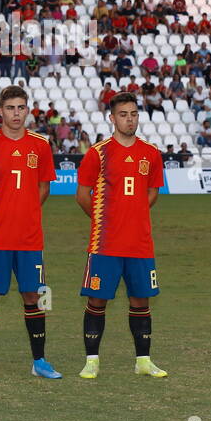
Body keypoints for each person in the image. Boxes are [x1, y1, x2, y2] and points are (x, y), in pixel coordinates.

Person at [0, 86, 61, 381]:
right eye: (11, 108)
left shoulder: (41, 145)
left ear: (28, 109)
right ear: (1, 110)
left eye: (21, 108)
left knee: (35, 296)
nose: (16, 113)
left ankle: (40, 361)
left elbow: (44, 186)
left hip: (30, 237)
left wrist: (27, 210)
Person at [75, 93, 168, 379]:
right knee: (97, 300)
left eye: (134, 114)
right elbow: (82, 195)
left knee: (141, 301)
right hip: (105, 244)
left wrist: (134, 215)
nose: (130, 119)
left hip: (140, 243)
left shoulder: (151, 153)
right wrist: (105, 221)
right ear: (112, 118)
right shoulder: (98, 153)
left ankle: (143, 360)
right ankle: (92, 361)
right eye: (124, 114)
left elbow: (152, 192)